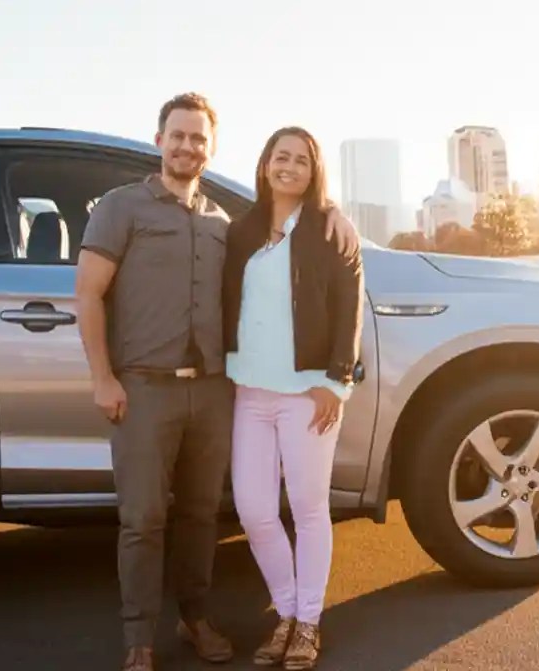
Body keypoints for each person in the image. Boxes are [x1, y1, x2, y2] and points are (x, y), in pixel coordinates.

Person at [75, 94, 359, 671]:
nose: (186, 146)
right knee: (147, 518)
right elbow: (87, 292)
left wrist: (336, 376)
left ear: (211, 148)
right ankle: (139, 641)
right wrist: (103, 379)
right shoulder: (124, 207)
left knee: (205, 513)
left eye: (197, 138)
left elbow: (331, 299)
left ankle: (210, 619)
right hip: (152, 388)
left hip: (215, 390)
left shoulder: (224, 224)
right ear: (158, 140)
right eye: (177, 135)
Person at [221, 127, 365, 670]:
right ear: (264, 165)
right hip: (249, 391)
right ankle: (287, 611)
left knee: (307, 509)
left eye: (301, 160)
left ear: (314, 170)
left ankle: (307, 623)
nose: (289, 167)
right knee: (255, 510)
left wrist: (336, 383)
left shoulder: (331, 228)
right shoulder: (242, 231)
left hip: (309, 393)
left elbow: (350, 306)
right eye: (281, 157)